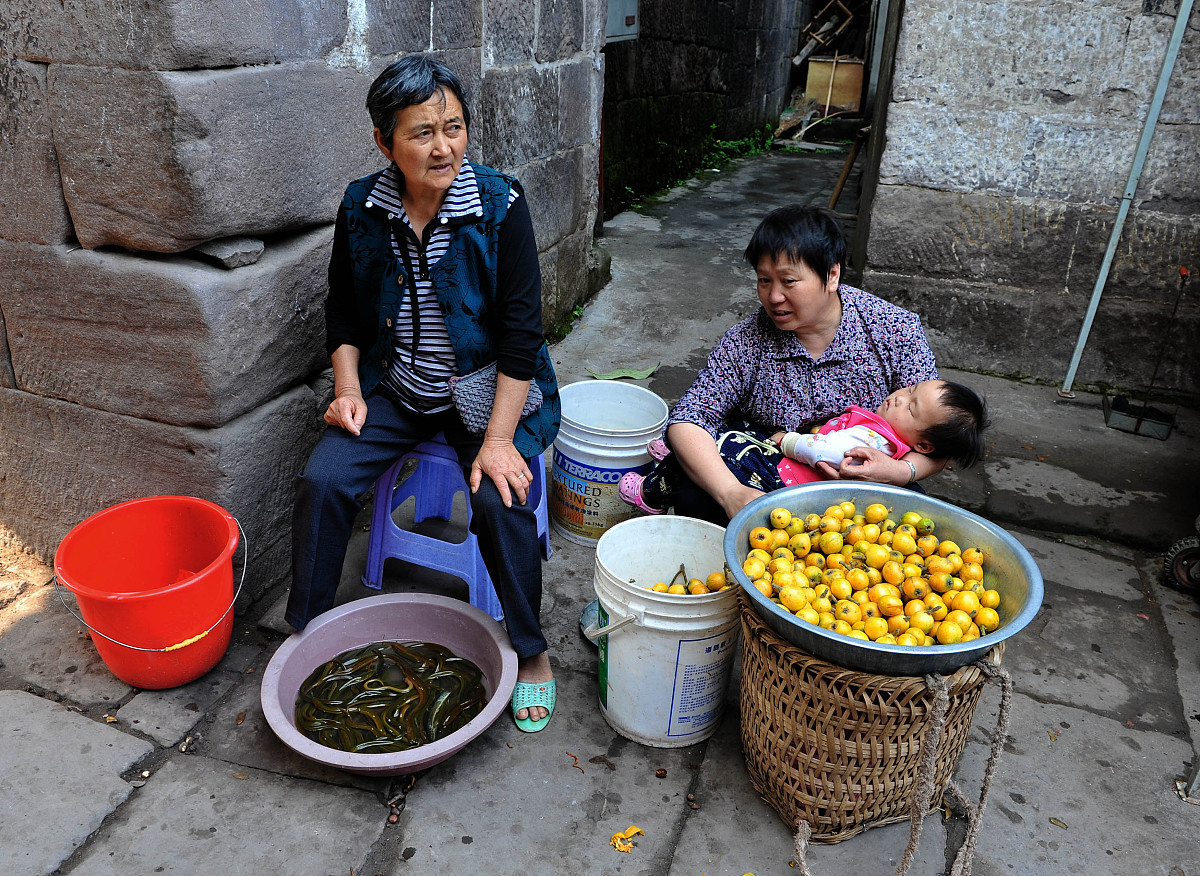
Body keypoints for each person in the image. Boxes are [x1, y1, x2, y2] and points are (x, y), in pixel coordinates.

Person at [286, 55, 561, 732]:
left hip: (486, 395)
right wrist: (347, 389)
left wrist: (499, 440)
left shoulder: (500, 205)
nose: (444, 148)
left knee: (500, 499)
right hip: (397, 387)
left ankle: (531, 653)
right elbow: (344, 312)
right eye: (423, 133)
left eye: (454, 127)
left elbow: (522, 335)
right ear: (385, 143)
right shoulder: (363, 208)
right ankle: (307, 631)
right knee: (324, 479)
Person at [644, 204, 944, 525]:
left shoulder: (894, 329)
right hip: (767, 472)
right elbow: (690, 417)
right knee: (694, 494)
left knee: (913, 518)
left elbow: (941, 431)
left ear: (832, 275)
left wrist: (901, 470)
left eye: (788, 281)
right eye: (764, 280)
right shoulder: (746, 341)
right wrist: (732, 493)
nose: (774, 297)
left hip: (863, 483)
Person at [620, 379, 989, 513]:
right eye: (909, 390)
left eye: (910, 407)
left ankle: (653, 491)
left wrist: (787, 440)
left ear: (923, 444)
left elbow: (821, 451)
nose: (899, 397)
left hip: (784, 478)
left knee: (729, 449)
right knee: (738, 428)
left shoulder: (873, 441)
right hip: (790, 463)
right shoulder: (888, 431)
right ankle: (680, 452)